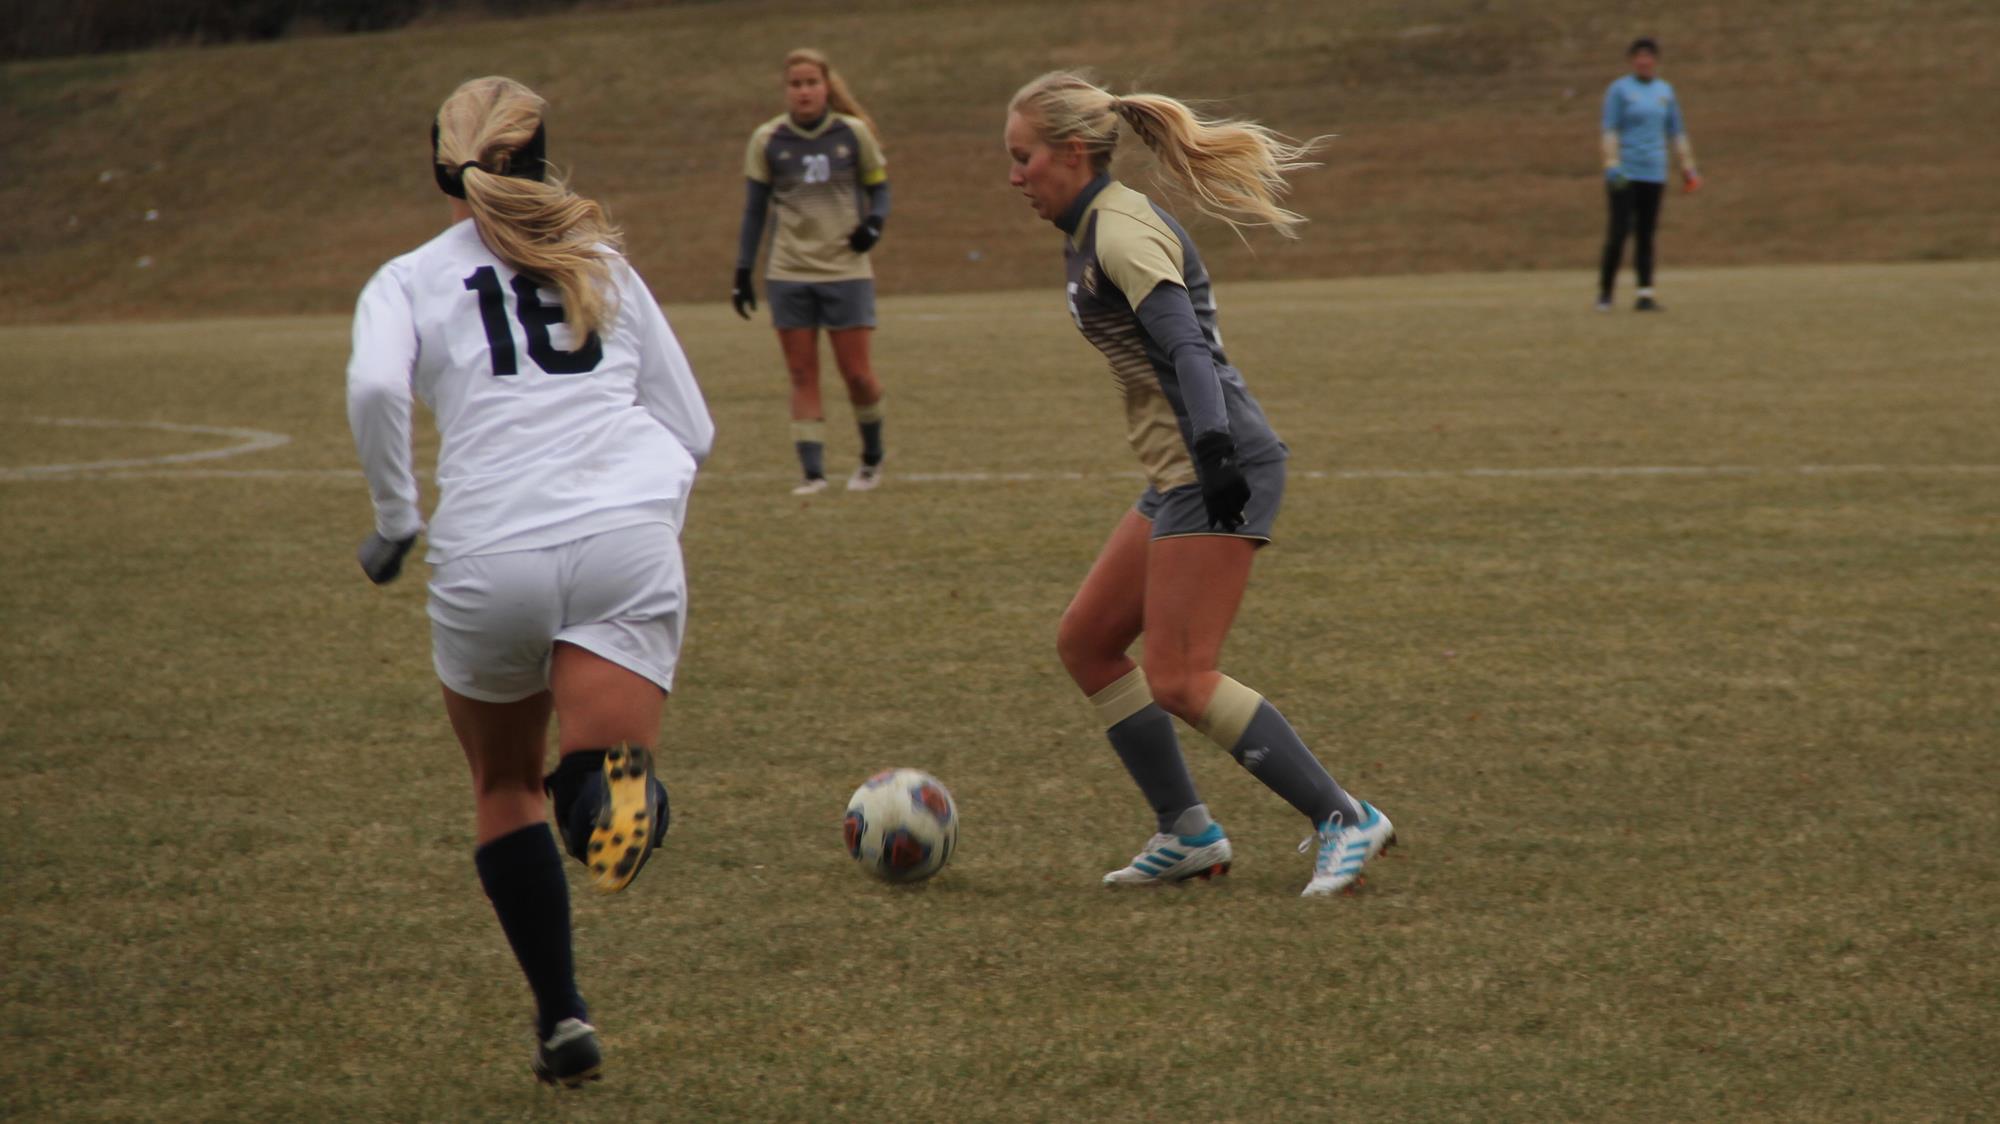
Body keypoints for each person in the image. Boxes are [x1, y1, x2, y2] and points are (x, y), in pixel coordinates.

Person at [346, 76, 714, 1087]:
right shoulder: (602, 262)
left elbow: (377, 384)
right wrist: (643, 515)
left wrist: (394, 520)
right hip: (622, 542)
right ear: (547, 159)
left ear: (441, 167)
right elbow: (695, 427)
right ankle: (607, 812)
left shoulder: (408, 278)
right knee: (606, 788)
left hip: (486, 554)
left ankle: (561, 1014)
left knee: (502, 783)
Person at [1002, 71, 1395, 897]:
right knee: (1088, 642)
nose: (1015, 176)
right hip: (1177, 470)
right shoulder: (1087, 229)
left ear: (1072, 154)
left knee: (1182, 675)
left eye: (1023, 157)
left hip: (1219, 464)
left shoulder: (1121, 230)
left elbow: (1187, 347)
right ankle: (1187, 833)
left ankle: (1345, 818)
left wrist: (1215, 450)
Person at [731, 47, 891, 495]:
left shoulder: (852, 134)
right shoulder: (768, 140)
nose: (803, 91)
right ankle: (813, 474)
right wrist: (743, 271)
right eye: (795, 84)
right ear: (786, 90)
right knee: (802, 374)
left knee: (857, 375)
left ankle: (871, 459)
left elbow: (880, 191)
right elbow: (754, 211)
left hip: (845, 271)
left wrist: (873, 225)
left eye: (811, 82)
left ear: (826, 86)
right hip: (789, 273)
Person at [1598, 37, 1702, 311]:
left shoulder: (1665, 91)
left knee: (1646, 234)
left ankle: (1645, 294)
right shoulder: (1619, 90)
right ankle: (1605, 295)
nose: (1644, 61)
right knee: (1619, 233)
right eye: (1639, 56)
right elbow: (1610, 130)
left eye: (1648, 56)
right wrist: (1611, 164)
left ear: (1655, 60)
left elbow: (1676, 132)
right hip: (1625, 173)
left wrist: (1688, 168)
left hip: (1654, 173)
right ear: (1632, 60)